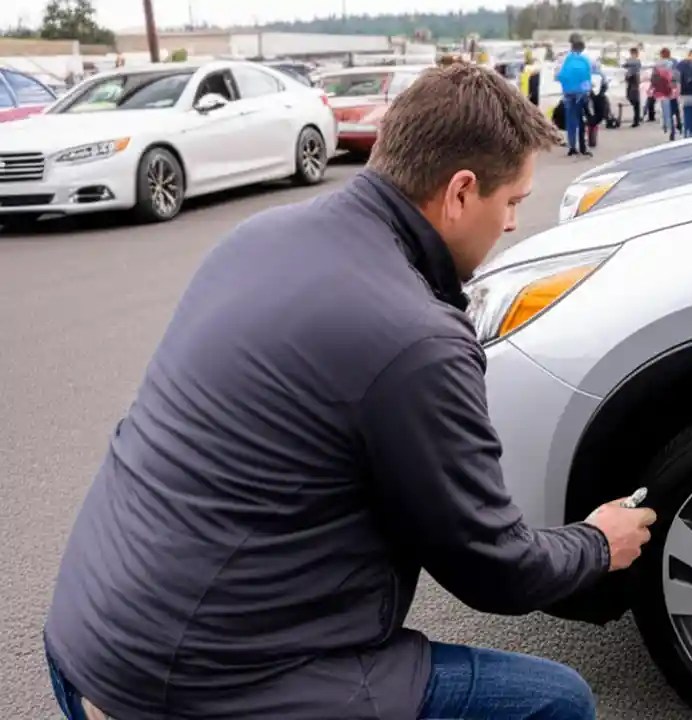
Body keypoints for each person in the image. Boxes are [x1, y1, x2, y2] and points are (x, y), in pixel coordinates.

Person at [42, 63, 658, 720]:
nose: (511, 225)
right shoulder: (415, 338)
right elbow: (495, 567)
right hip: (195, 690)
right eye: (511, 203)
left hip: (86, 642)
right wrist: (597, 542)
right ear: (459, 192)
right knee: (556, 703)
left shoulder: (257, 238)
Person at [556, 34, 594, 156]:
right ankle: (583, 146)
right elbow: (589, 77)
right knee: (581, 120)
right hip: (581, 94)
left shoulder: (567, 59)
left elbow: (560, 76)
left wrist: (565, 86)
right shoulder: (585, 60)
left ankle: (572, 146)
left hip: (568, 93)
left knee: (570, 120)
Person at [650, 47, 679, 140]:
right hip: (670, 89)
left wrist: (652, 87)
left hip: (660, 90)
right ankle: (673, 126)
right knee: (673, 108)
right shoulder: (673, 63)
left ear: (661, 54)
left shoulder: (656, 65)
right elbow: (676, 76)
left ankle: (667, 126)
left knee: (664, 109)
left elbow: (653, 78)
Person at [623, 46, 643, 127]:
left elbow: (628, 65)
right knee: (630, 97)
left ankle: (636, 120)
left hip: (634, 79)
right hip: (631, 79)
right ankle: (637, 118)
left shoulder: (636, 61)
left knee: (634, 99)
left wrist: (627, 63)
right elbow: (625, 66)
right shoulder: (632, 60)